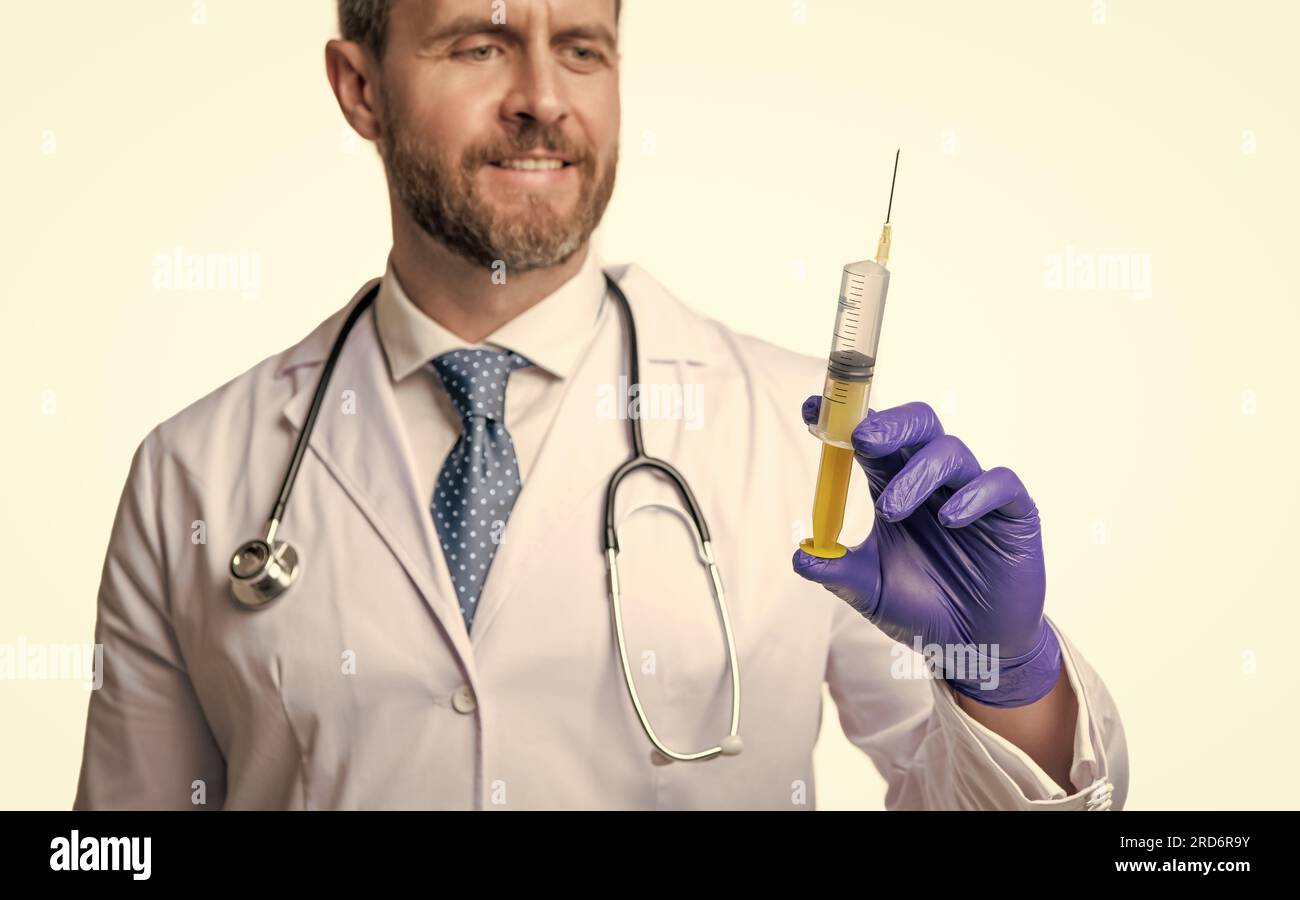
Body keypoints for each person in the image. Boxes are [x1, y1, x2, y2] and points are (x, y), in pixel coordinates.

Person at [73, 0, 1127, 810]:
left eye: (582, 46)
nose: (542, 96)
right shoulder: (196, 473)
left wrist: (1004, 678)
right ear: (360, 88)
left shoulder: (799, 435)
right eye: (479, 45)